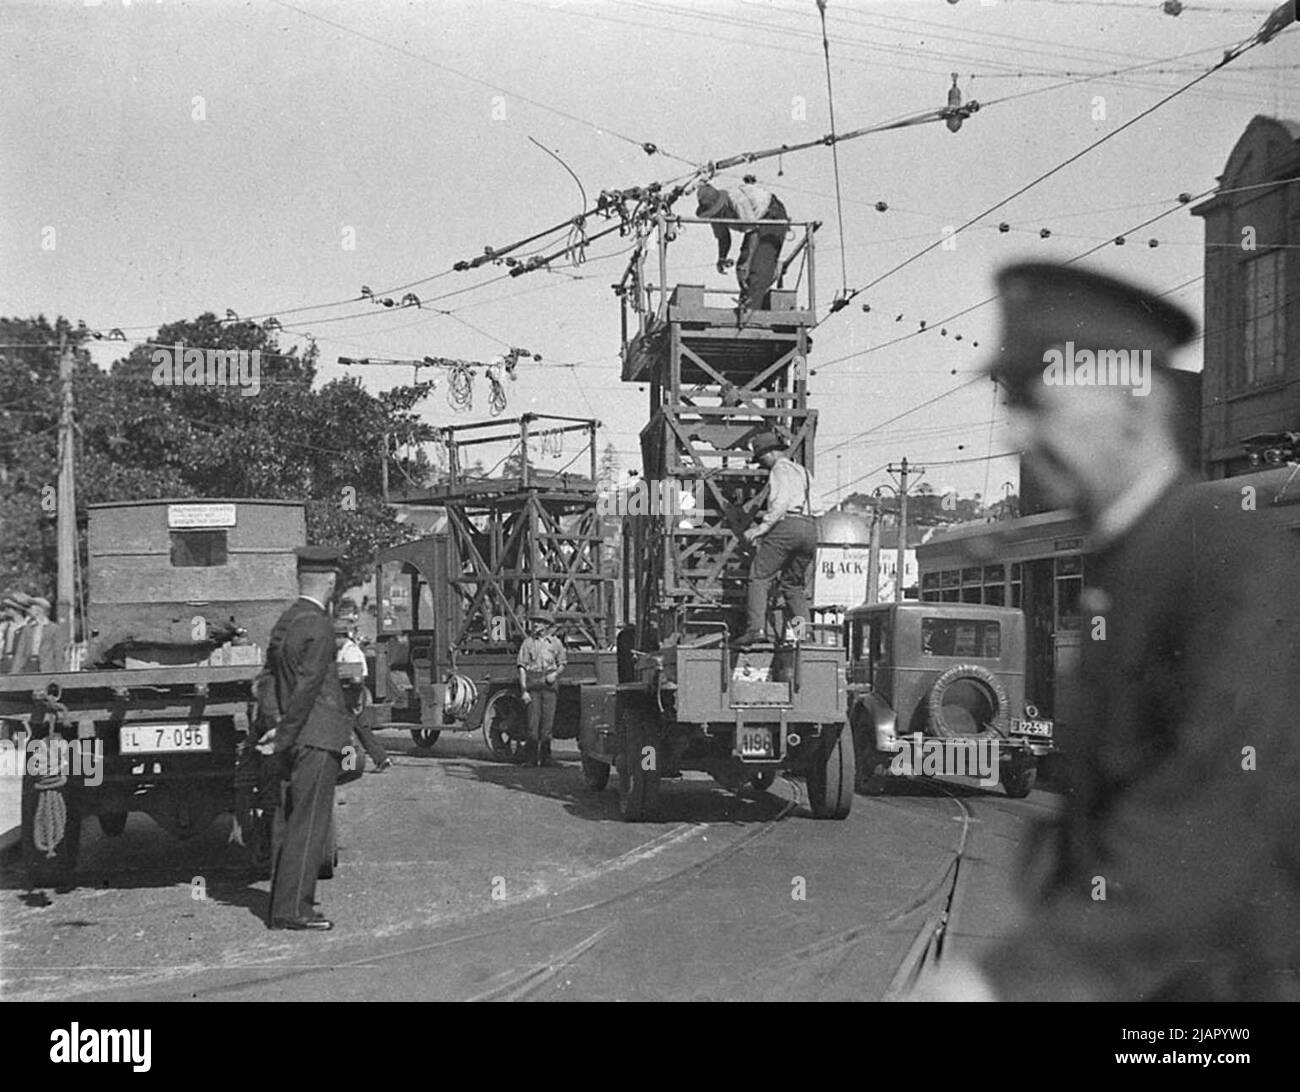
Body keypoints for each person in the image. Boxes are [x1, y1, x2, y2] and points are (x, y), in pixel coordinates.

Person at [915, 261, 1300, 1001]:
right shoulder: (1127, 563)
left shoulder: (1227, 562)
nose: (1014, 433)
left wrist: (997, 985)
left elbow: (1207, 828)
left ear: (1133, 402)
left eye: (1036, 401)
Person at [259, 546, 356, 931]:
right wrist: (283, 734)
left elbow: (267, 680)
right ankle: (292, 910)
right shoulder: (319, 626)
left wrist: (273, 725)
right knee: (309, 823)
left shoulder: (287, 621)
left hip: (293, 735)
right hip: (314, 737)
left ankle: (285, 902)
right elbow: (309, 688)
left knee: (290, 821)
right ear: (330, 582)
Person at [734, 433, 817, 648]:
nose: (763, 463)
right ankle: (804, 634)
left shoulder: (780, 469)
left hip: (788, 526)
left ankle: (755, 629)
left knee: (759, 576)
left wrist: (760, 529)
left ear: (770, 453)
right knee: (792, 586)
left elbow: (781, 503)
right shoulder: (803, 472)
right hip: (810, 529)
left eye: (762, 458)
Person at [696, 177, 789, 319]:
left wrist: (747, 261)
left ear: (722, 204)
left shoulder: (737, 201)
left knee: (758, 268)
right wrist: (722, 258)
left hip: (772, 214)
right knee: (741, 270)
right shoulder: (714, 213)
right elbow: (723, 237)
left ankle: (750, 313)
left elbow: (752, 232)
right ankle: (747, 302)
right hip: (755, 225)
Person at [333, 611, 391, 772]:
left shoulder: (349, 651)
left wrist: (356, 700)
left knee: (346, 732)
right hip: (352, 694)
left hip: (351, 694)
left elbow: (356, 679)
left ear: (340, 637)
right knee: (362, 730)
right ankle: (381, 758)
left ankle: (348, 765)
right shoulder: (346, 649)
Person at [517, 609, 566, 767]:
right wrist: (524, 690)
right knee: (533, 723)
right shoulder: (528, 643)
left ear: (546, 626)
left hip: (549, 684)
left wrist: (556, 675)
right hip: (533, 682)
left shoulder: (555, 643)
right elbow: (522, 667)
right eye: (535, 622)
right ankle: (531, 759)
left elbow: (562, 663)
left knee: (547, 723)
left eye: (538, 622)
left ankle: (546, 758)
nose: (535, 625)